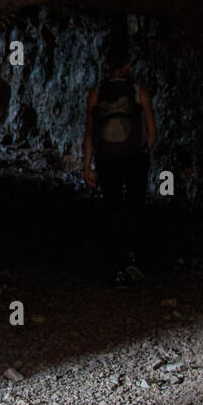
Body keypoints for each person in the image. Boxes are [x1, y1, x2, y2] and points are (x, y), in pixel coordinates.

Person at [83, 43, 158, 283]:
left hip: (107, 159)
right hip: (134, 158)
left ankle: (114, 265)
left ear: (106, 66)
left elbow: (90, 132)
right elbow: (152, 131)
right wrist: (145, 151)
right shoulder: (140, 92)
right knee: (135, 206)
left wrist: (87, 165)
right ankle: (135, 259)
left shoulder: (95, 93)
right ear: (127, 66)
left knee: (112, 207)